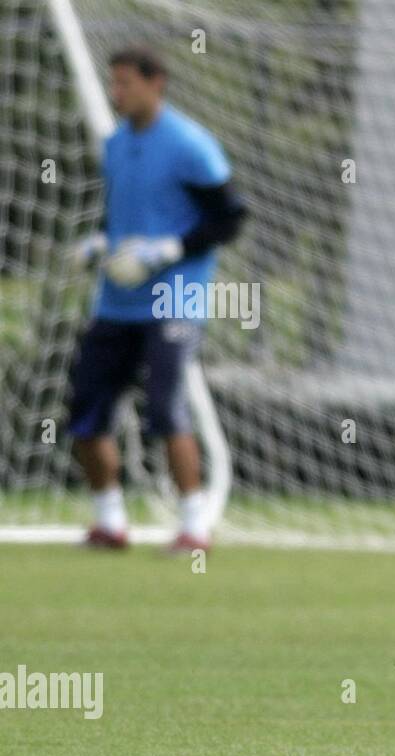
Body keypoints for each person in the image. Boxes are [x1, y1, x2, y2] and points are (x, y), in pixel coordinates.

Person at [69, 45, 245, 552]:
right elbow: (126, 216)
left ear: (156, 83)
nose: (116, 93)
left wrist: (169, 248)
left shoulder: (190, 145)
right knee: (85, 408)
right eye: (114, 83)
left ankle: (193, 526)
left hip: (174, 300)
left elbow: (230, 217)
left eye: (125, 83)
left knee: (166, 408)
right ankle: (110, 521)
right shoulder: (116, 145)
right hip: (116, 303)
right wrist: (104, 243)